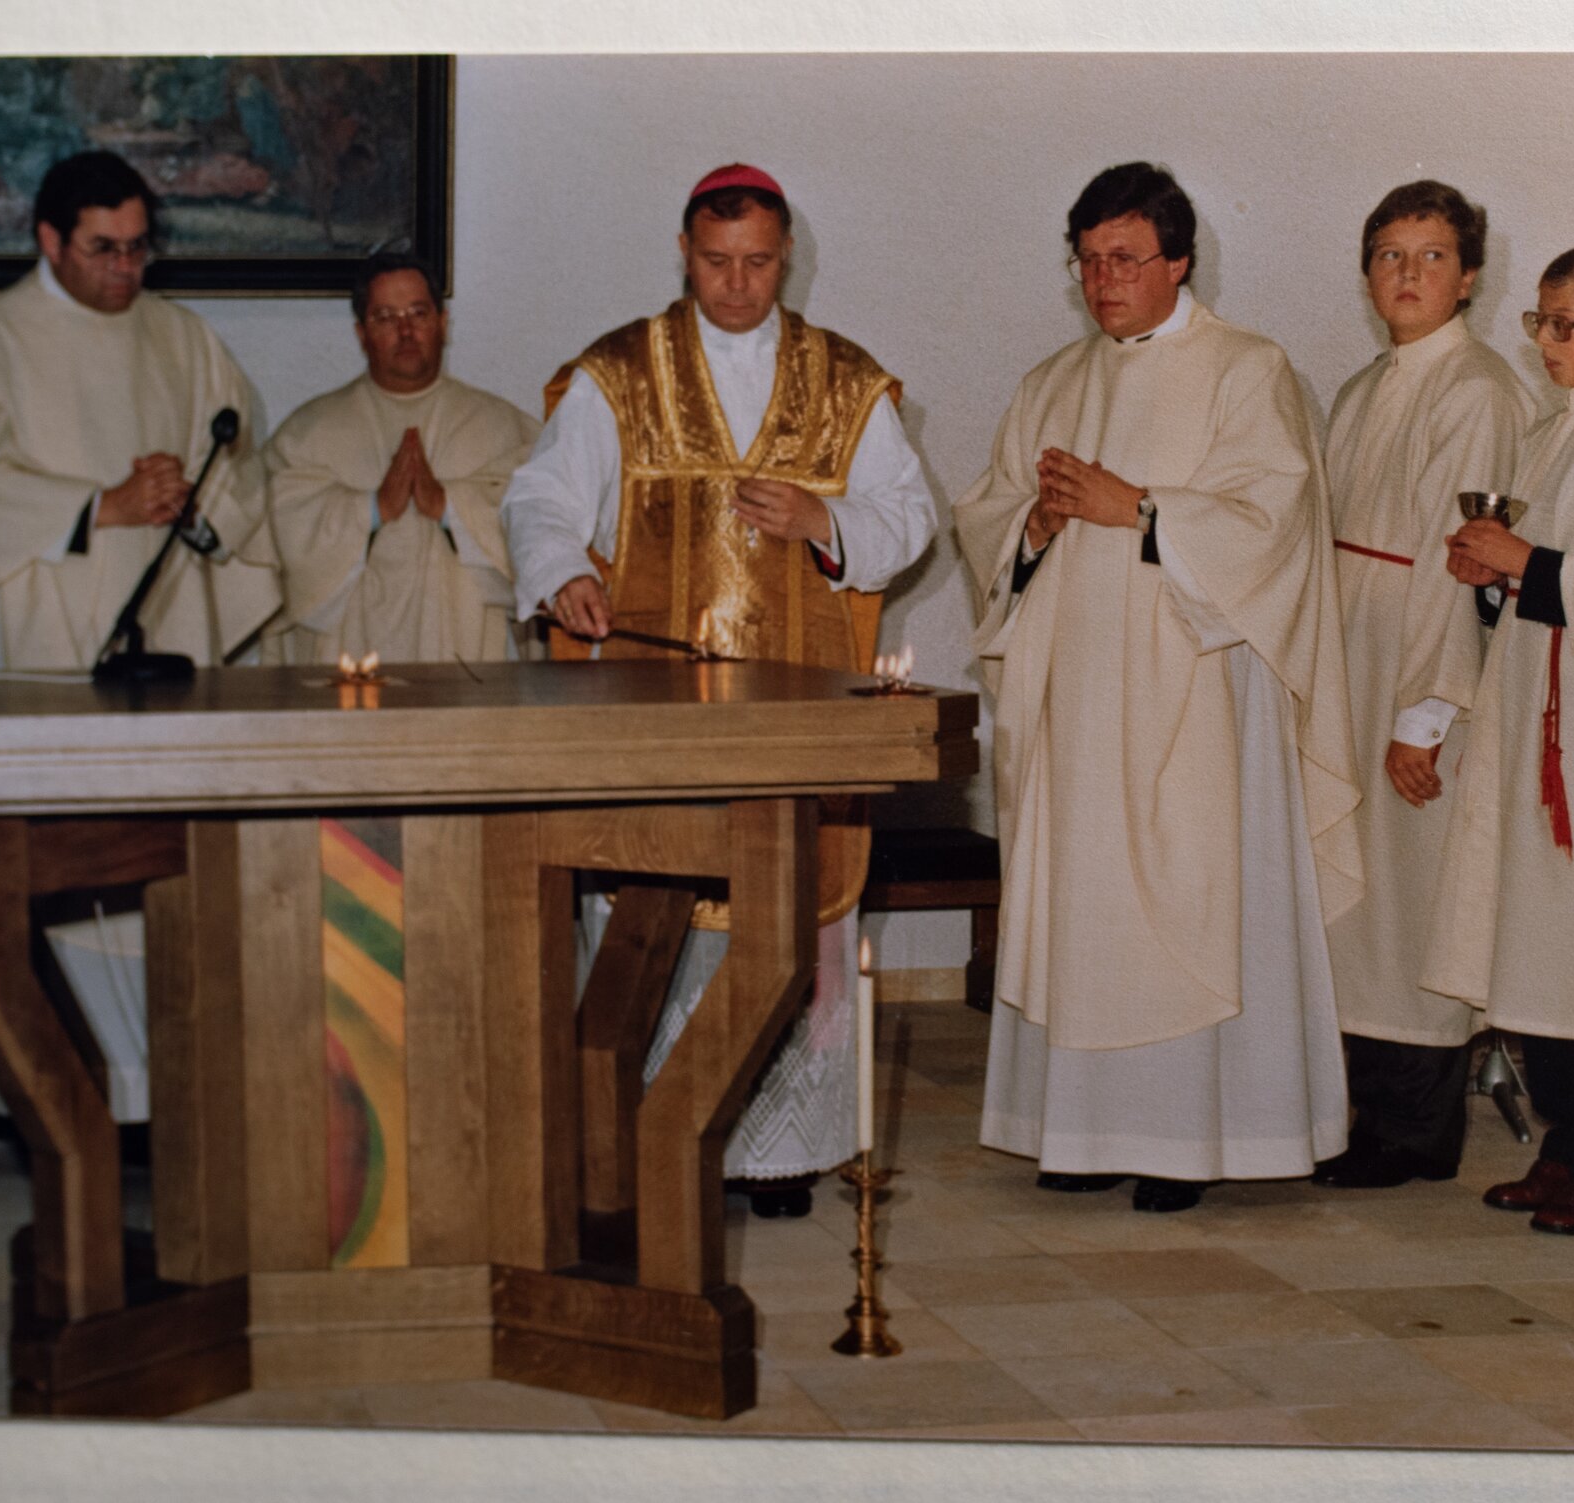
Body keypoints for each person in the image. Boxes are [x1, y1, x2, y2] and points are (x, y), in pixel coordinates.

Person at [501, 163, 934, 1213]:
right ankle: (656, 1149)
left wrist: (824, 521)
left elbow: (911, 516)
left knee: (789, 902)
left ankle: (778, 1158)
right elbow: (541, 497)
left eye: (757, 263)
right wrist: (561, 571)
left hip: (797, 705)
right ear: (684, 255)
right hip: (655, 702)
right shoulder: (620, 374)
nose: (737, 285)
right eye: (715, 262)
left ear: (787, 259)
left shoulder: (843, 382)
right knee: (658, 896)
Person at [954, 161, 1362, 1214]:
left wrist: (1137, 508)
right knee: (1083, 905)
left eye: (1125, 259)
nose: (1104, 282)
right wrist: (1034, 526)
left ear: (1179, 262)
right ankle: (1085, 1131)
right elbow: (988, 515)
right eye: (1088, 262)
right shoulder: (1052, 381)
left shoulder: (1247, 369)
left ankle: (1185, 1141)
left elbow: (1273, 522)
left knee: (1191, 900)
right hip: (1076, 696)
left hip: (1195, 693)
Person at [0, 150, 282, 1129]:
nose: (125, 270)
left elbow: (240, 459)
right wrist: (104, 503)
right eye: (103, 249)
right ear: (49, 240)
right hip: (37, 637)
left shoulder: (181, 337)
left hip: (157, 632)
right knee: (36, 851)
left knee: (153, 851)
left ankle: (152, 1094)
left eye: (139, 248)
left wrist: (193, 499)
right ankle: (3, 1083)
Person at [1315, 182, 1532, 1190]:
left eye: (1431, 256)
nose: (1407, 275)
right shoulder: (1362, 388)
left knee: (1410, 894)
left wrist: (1428, 713)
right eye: (1388, 256)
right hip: (1350, 655)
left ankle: (1414, 1132)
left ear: (1470, 276)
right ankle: (1367, 1111)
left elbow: (1464, 566)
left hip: (1415, 665)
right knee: (1361, 903)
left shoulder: (1476, 390)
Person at [1426, 241, 1574, 1236]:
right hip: (1541, 714)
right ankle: (1569, 1145)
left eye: (1565, 323)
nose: (1545, 340)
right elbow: (1545, 569)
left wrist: (1530, 564)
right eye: (1538, 321)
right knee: (1540, 942)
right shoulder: (1561, 426)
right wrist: (1496, 573)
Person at [263, 254, 541, 665]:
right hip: (344, 666)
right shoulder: (308, 433)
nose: (406, 331)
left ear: (443, 323)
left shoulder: (503, 428)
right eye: (385, 317)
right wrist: (372, 509)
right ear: (361, 333)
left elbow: (541, 530)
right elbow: (280, 538)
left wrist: (449, 506)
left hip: (466, 665)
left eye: (418, 313)